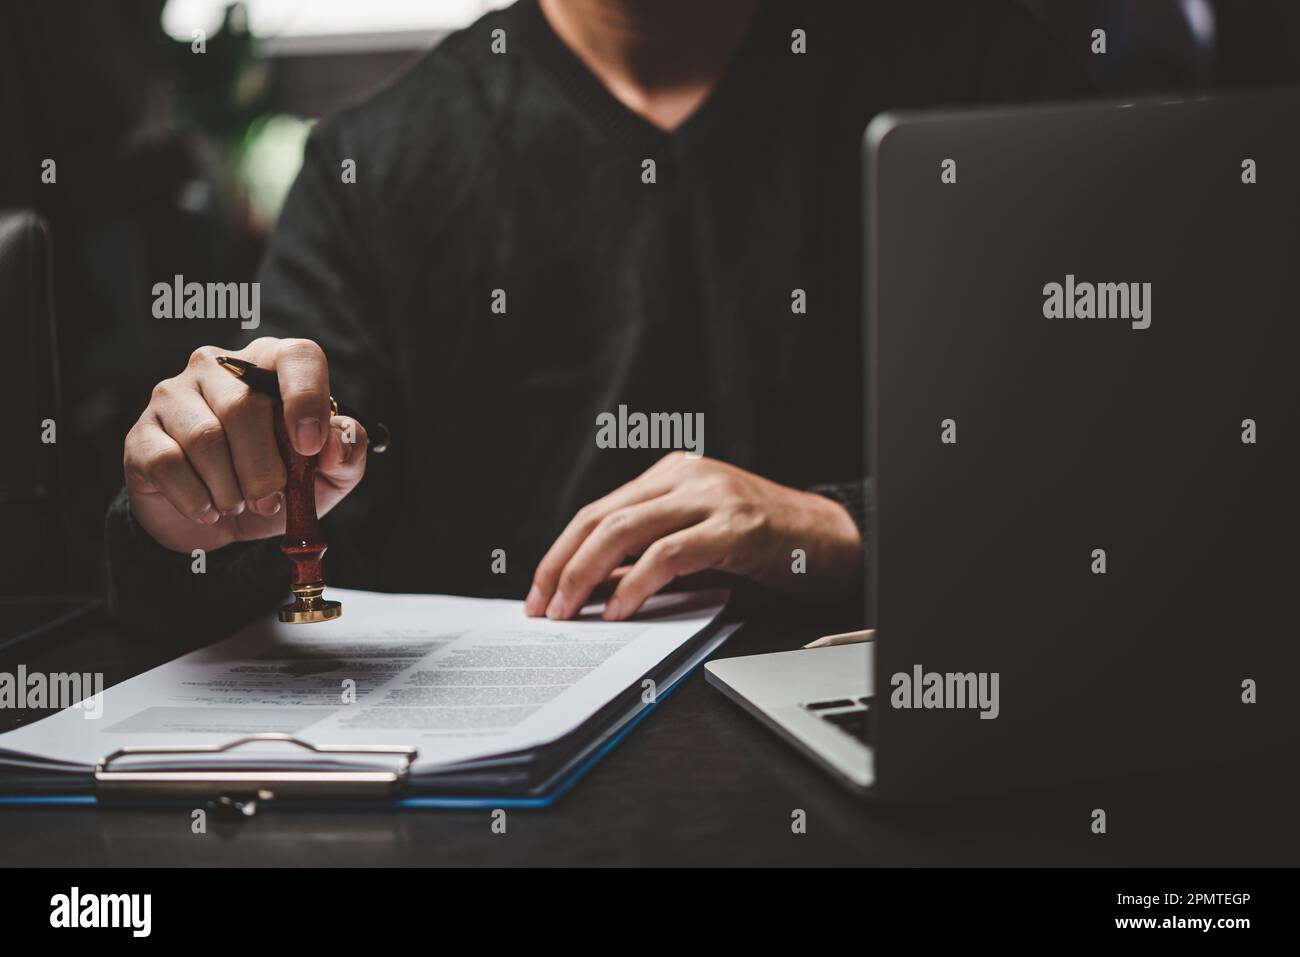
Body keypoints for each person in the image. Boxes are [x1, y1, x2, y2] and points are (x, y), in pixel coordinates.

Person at [108, 0, 1079, 636]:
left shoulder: (983, 75)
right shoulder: (375, 164)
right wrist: (190, 525)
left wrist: (847, 527)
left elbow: (1131, 474)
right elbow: (277, 537)